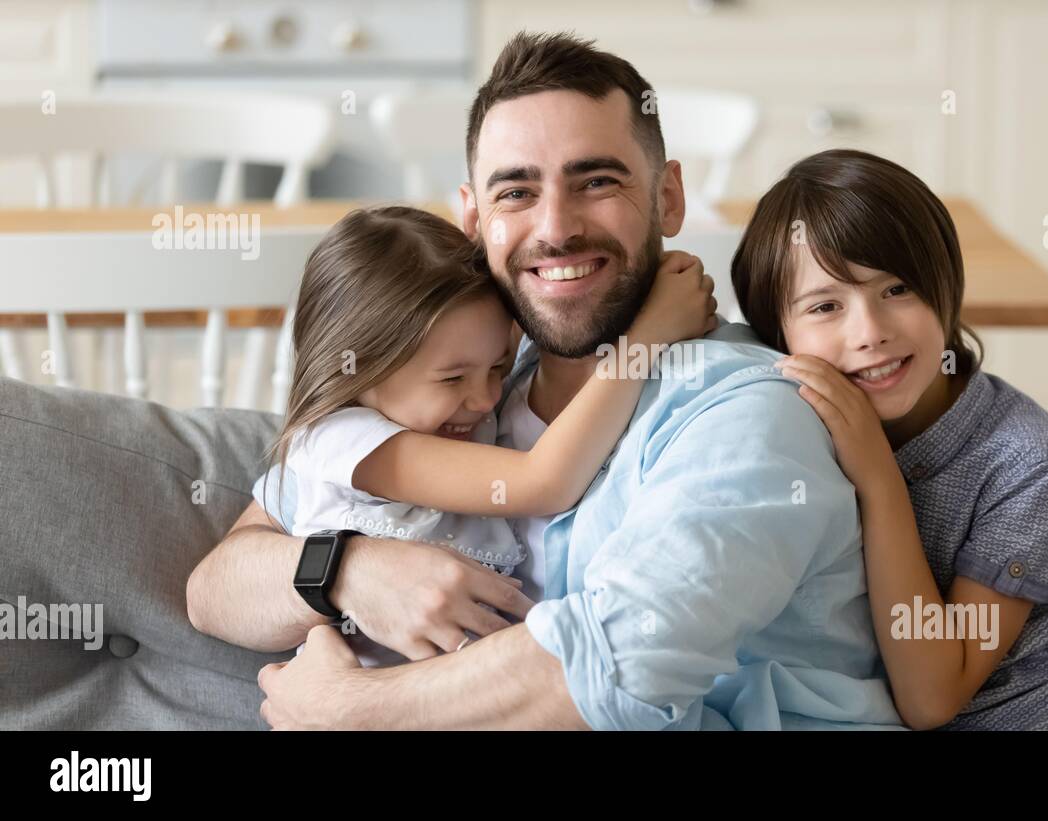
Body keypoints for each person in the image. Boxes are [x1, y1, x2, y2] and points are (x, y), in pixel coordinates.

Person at [188, 31, 904, 730]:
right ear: (473, 220)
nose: (556, 228)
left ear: (669, 198)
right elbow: (218, 584)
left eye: (597, 181)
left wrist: (347, 710)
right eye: (517, 192)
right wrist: (348, 571)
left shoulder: (747, 415)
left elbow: (618, 668)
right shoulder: (478, 389)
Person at [737, 148, 1048, 731]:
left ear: (945, 286)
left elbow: (932, 698)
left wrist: (879, 479)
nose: (870, 332)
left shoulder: (1033, 469)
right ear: (778, 335)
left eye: (897, 290)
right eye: (826, 306)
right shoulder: (781, 421)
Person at [265, 205, 714, 666]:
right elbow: (544, 483)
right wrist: (647, 337)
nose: (484, 399)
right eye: (452, 379)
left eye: (498, 365)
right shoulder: (340, 440)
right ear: (359, 371)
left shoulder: (460, 412)